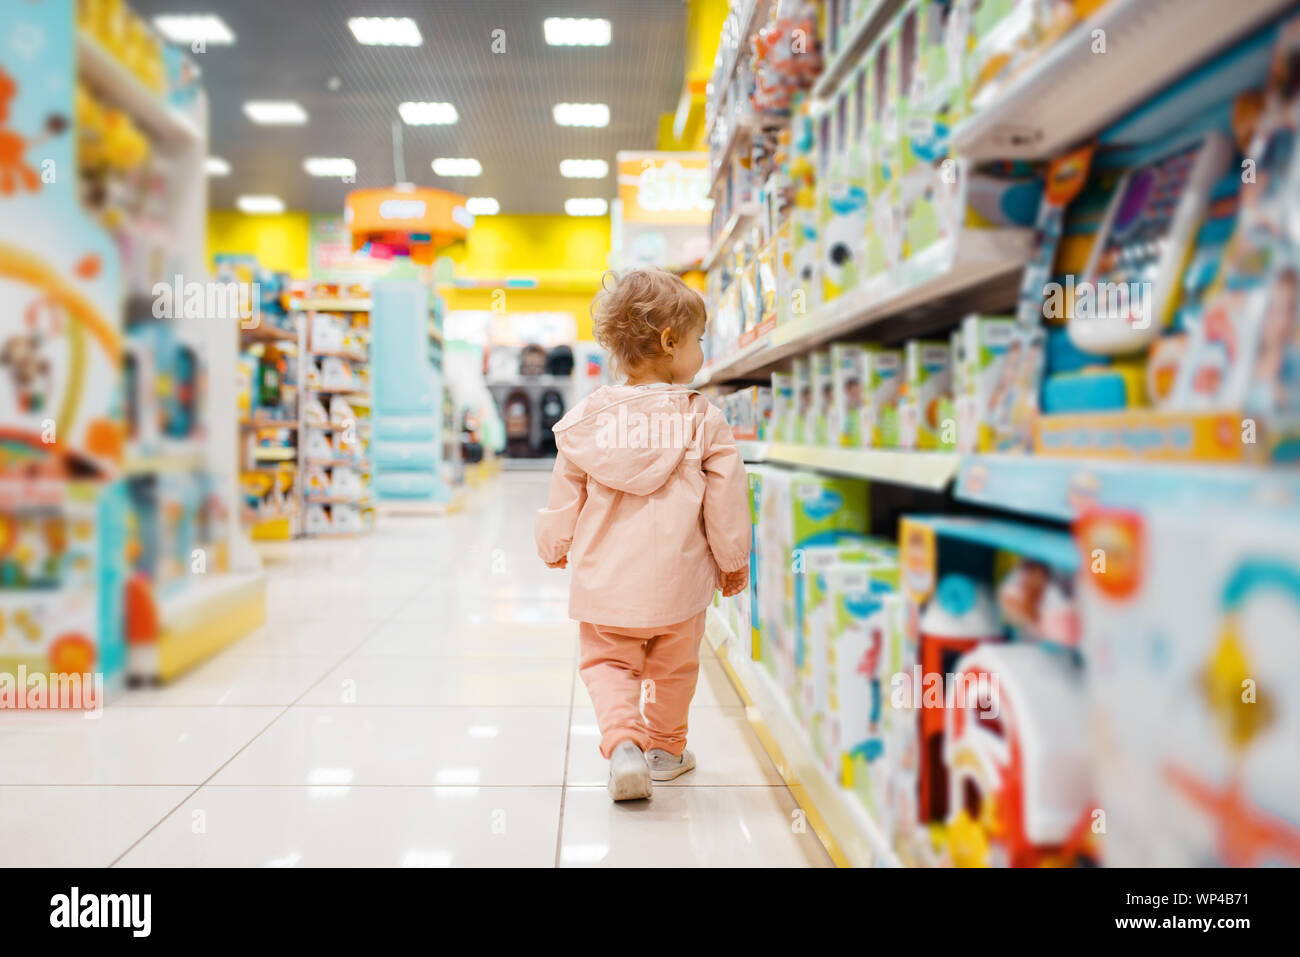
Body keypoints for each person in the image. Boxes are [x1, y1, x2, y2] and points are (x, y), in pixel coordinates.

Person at [535, 268, 751, 802]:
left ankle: (623, 742)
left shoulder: (586, 420)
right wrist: (731, 559)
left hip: (606, 584)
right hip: (681, 583)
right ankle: (666, 750)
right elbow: (725, 497)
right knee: (675, 667)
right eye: (698, 340)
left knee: (608, 664)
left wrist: (556, 545)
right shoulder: (702, 418)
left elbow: (565, 496)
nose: (701, 350)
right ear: (669, 342)